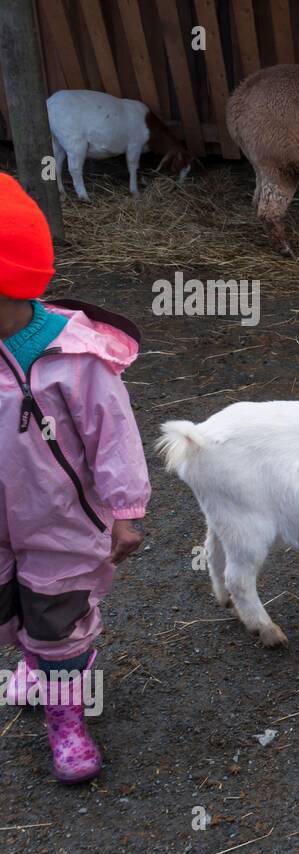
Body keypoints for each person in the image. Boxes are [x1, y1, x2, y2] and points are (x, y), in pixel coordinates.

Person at [0, 172, 150, 783]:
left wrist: (125, 506)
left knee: (58, 615)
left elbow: (112, 434)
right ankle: (34, 660)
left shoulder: (75, 359)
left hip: (60, 522)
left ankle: (66, 717)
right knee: (10, 608)